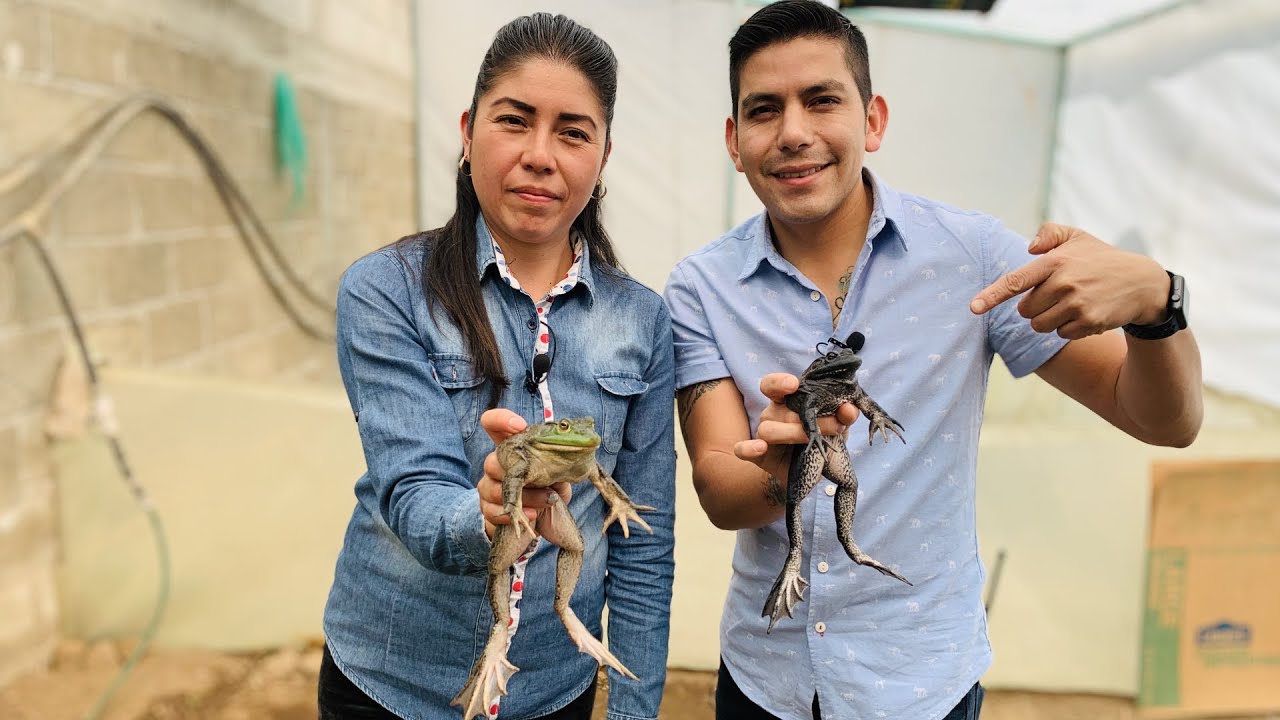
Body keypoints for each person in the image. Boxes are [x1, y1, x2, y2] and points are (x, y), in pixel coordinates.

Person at [663, 2, 1203, 719]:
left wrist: (1158, 307)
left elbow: (1163, 420)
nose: (793, 132)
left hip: (921, 684)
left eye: (822, 100)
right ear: (735, 141)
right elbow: (716, 488)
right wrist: (784, 464)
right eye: (765, 109)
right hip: (767, 678)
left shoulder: (973, 257)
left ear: (873, 120)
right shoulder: (700, 287)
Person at [319, 12, 676, 720]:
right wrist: (482, 513)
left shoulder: (643, 320)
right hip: (391, 684)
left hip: (553, 690)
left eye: (573, 133)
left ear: (603, 156)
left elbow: (643, 542)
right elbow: (412, 487)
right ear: (468, 130)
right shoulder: (386, 289)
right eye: (514, 121)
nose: (540, 155)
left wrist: (634, 710)